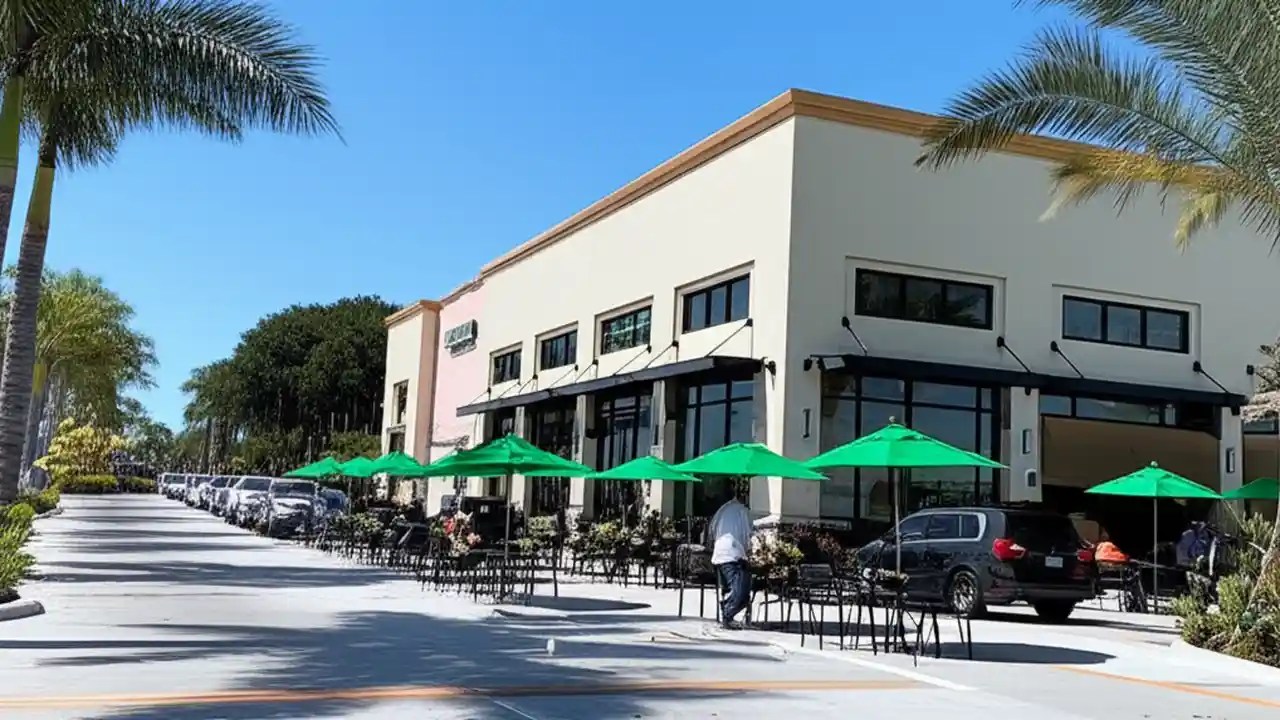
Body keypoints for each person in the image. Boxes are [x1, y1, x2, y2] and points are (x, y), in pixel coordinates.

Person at [706, 484, 753, 630]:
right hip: (733, 555)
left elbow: (711, 530)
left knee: (731, 588)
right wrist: (749, 551)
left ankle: (727, 609)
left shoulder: (723, 509)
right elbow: (748, 534)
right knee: (741, 590)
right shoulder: (742, 511)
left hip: (719, 554)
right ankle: (727, 613)